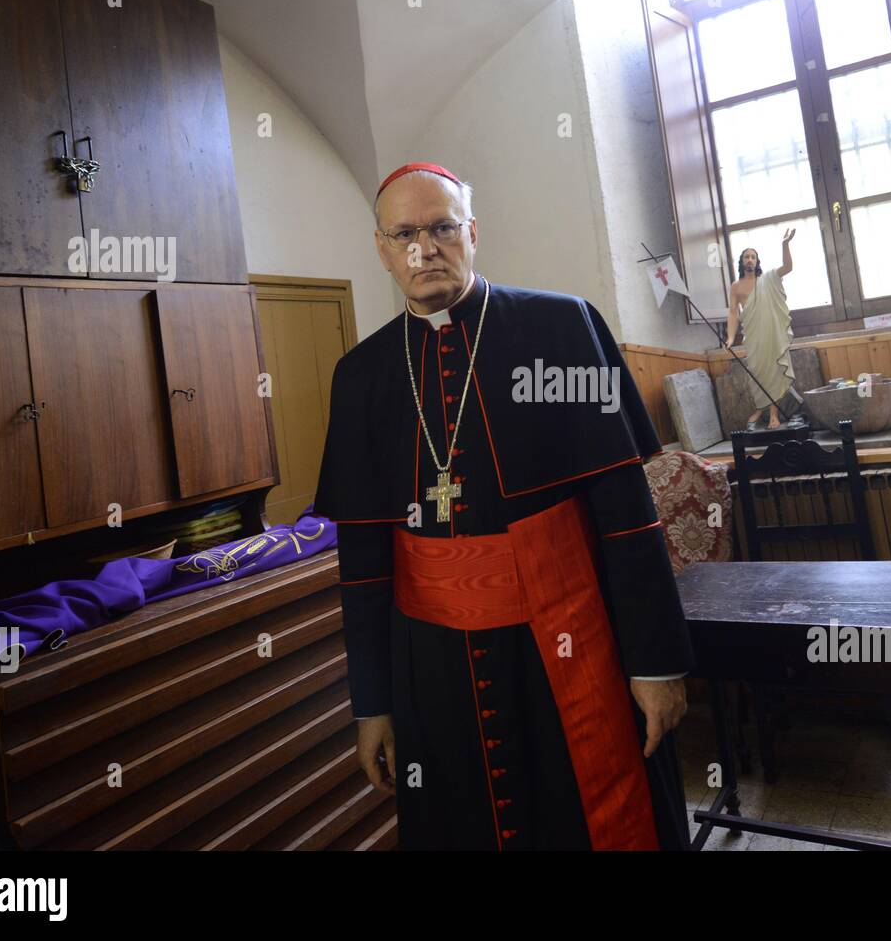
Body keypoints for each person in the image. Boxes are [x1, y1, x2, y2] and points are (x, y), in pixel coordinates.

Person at [313, 162, 695, 850]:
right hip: (430, 670)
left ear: (473, 232)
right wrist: (371, 703)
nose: (423, 248)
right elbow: (364, 565)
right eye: (404, 233)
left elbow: (629, 517)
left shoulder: (561, 329)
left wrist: (656, 663)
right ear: (380, 247)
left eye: (442, 228)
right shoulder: (360, 376)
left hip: (571, 645)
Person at [725, 233, 798, 430]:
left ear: (757, 261)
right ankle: (760, 407)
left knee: (773, 371)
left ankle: (773, 414)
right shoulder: (736, 286)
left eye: (753, 257)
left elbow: (788, 267)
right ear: (741, 261)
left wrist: (784, 245)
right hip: (753, 336)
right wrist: (731, 337)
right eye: (746, 256)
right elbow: (733, 312)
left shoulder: (767, 279)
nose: (749, 259)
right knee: (757, 372)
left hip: (771, 334)